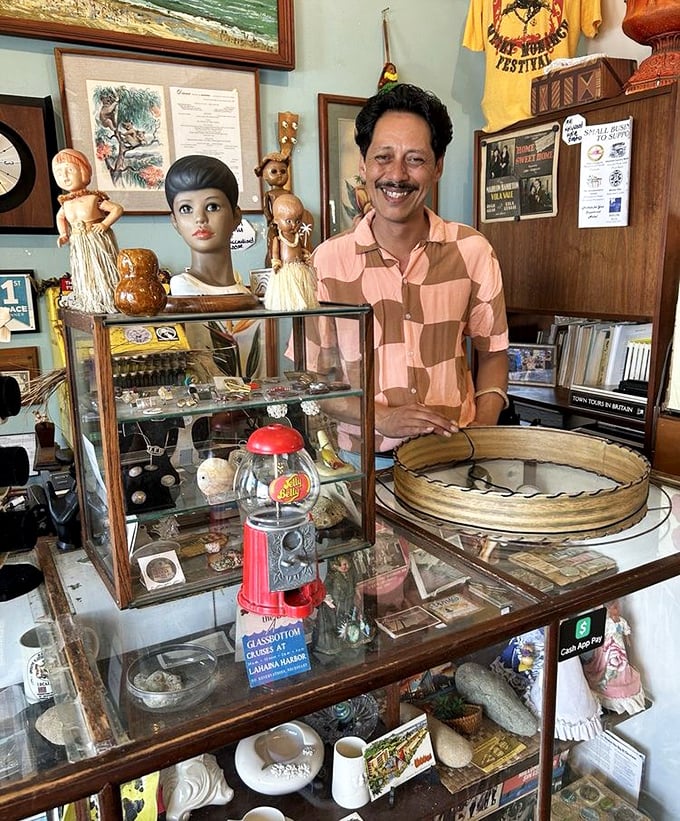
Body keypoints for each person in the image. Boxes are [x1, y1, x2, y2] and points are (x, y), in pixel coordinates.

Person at [308, 84, 509, 466]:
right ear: (364, 164)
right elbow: (314, 383)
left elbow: (494, 351)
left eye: (415, 159)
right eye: (383, 157)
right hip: (361, 462)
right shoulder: (327, 262)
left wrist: (481, 435)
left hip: (454, 456)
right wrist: (383, 417)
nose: (396, 175)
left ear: (438, 167)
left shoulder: (472, 251)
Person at [164, 154, 251, 297]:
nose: (200, 218)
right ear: (175, 221)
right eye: (186, 209)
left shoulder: (243, 292)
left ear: (235, 217)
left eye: (212, 207)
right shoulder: (184, 288)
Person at [52, 148, 124, 313]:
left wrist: (105, 224)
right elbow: (60, 218)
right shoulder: (66, 204)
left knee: (102, 271)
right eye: (59, 172)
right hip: (79, 241)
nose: (65, 176)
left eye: (70, 170)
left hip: (96, 240)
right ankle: (89, 300)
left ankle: (109, 299)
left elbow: (117, 209)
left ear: (83, 171)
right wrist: (63, 234)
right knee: (86, 273)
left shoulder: (94, 199)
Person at [254, 150, 313, 266]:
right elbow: (266, 209)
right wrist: (270, 220)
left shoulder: (288, 193)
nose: (279, 174)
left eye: (283, 171)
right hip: (276, 223)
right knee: (273, 241)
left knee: (296, 240)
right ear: (265, 175)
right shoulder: (269, 194)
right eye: (274, 171)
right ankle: (274, 261)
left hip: (289, 225)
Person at [263, 193, 319, 311]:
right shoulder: (278, 239)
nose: (294, 225)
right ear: (276, 221)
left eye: (298, 221)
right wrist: (276, 262)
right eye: (288, 221)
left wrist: (305, 255)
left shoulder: (298, 237)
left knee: (302, 291)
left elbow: (300, 249)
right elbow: (275, 253)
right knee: (288, 294)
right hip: (285, 270)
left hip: (299, 268)